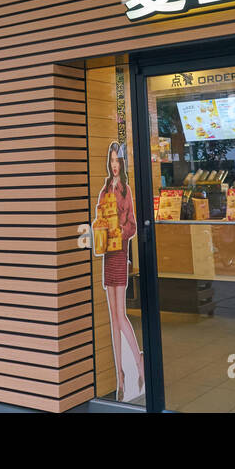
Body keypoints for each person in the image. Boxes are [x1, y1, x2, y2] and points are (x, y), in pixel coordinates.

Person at [96, 141, 145, 401]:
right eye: (112, 160)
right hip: (107, 253)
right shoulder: (105, 188)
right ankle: (120, 376)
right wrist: (100, 223)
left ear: (122, 164)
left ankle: (138, 361)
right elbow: (101, 216)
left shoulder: (126, 190)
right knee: (113, 317)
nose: (115, 165)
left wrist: (119, 232)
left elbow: (133, 225)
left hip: (120, 253)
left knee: (120, 314)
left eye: (118, 161)